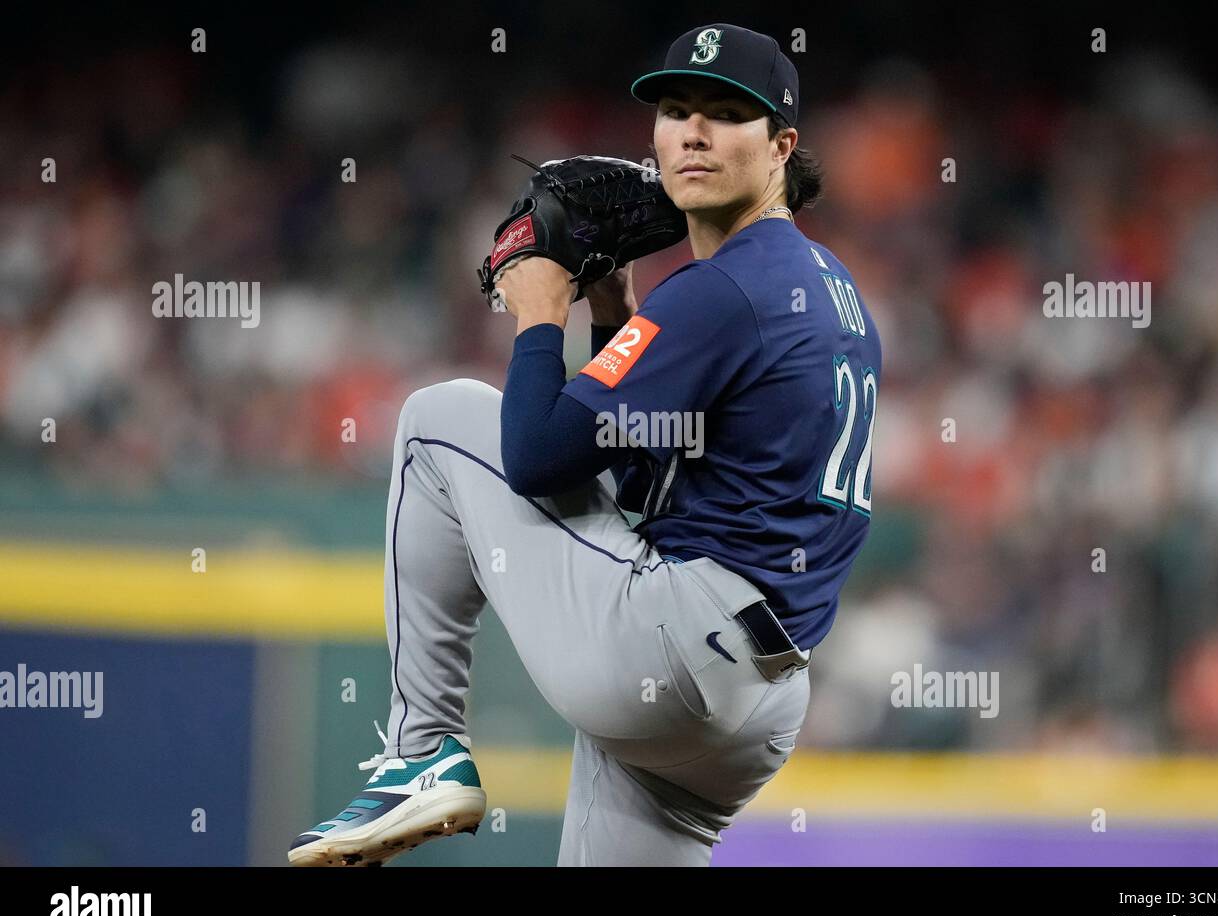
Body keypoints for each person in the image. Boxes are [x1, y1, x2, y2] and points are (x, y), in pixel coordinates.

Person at [289, 22, 882, 867]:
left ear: (783, 144)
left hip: (675, 646)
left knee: (437, 419)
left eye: (726, 112)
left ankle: (421, 750)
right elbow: (647, 477)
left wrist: (542, 309)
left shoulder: (723, 291)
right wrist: (613, 314)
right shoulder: (824, 286)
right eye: (677, 109)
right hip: (755, 704)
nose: (694, 132)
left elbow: (533, 456)